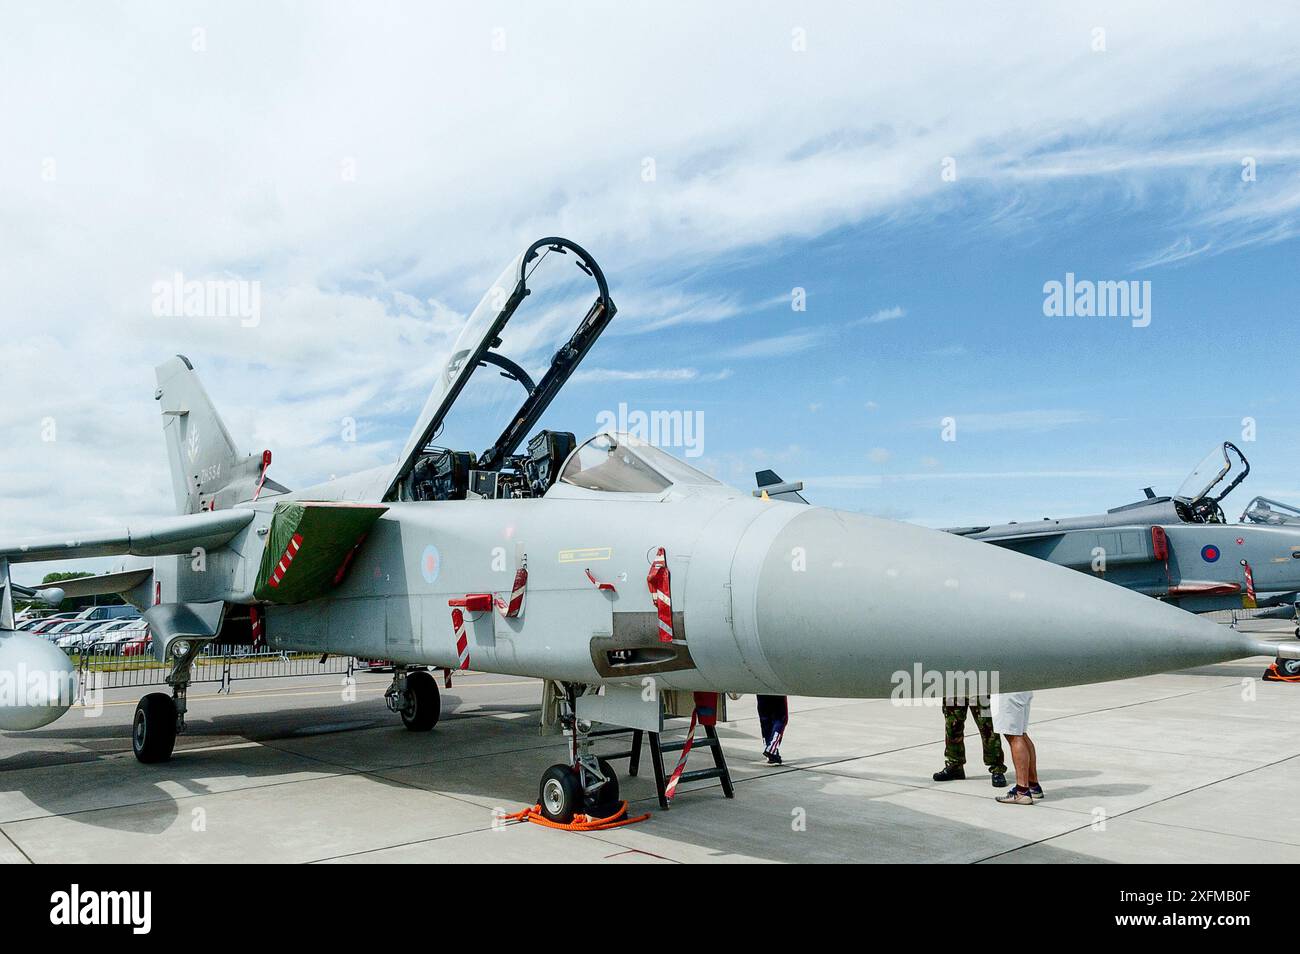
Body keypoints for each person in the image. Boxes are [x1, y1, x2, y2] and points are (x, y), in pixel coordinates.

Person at [933, 696, 1007, 787]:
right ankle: (955, 766)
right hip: (953, 687)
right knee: (952, 727)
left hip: (979, 687)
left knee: (988, 729)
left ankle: (997, 768)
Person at [992, 690, 1043, 804]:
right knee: (1021, 733)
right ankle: (1033, 785)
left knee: (1014, 736)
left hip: (1008, 689)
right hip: (1022, 688)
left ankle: (1022, 791)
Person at [756, 694, 788, 765]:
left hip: (760, 690)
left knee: (766, 721)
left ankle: (772, 751)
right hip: (776, 691)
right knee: (781, 719)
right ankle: (771, 749)